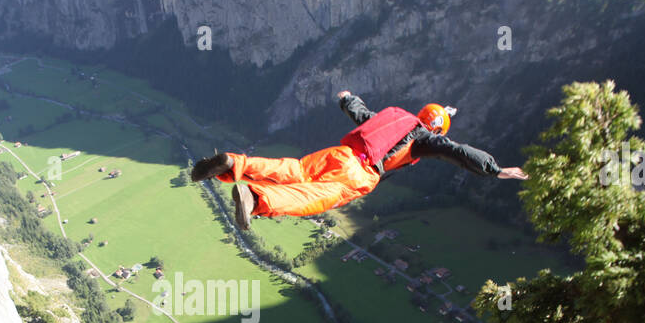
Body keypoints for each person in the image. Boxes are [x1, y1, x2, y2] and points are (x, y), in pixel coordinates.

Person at [190, 91, 528, 229]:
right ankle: (256, 198)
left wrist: (347, 98)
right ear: (436, 129)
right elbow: (458, 152)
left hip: (342, 153)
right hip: (361, 173)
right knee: (314, 197)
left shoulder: (394, 119)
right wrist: (495, 169)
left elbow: (362, 114)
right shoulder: (425, 139)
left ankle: (234, 163)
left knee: (293, 169)